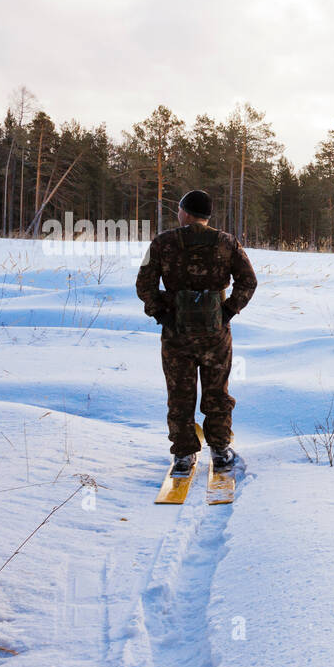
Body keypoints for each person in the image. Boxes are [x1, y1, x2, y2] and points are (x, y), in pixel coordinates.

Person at [135, 190, 257, 474]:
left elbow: (143, 284)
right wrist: (227, 312)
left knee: (180, 394)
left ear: (185, 212)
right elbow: (248, 281)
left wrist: (161, 313)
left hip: (176, 334)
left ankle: (183, 455)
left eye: (179, 209)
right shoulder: (227, 242)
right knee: (217, 393)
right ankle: (220, 451)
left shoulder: (163, 242)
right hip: (216, 335)